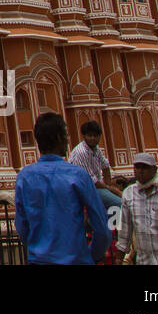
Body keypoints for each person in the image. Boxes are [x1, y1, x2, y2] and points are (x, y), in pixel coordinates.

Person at [14, 112, 111, 264]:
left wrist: (38, 250)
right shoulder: (77, 175)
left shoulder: (24, 177)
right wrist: (89, 256)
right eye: (66, 135)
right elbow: (102, 228)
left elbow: (22, 227)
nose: (67, 140)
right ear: (60, 137)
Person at [68, 120, 124, 213]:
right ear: (84, 136)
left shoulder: (95, 148)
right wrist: (112, 190)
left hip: (97, 187)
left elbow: (105, 166)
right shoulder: (81, 152)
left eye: (95, 136)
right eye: (90, 136)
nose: (92, 138)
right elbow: (92, 181)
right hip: (86, 189)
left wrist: (108, 184)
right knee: (120, 203)